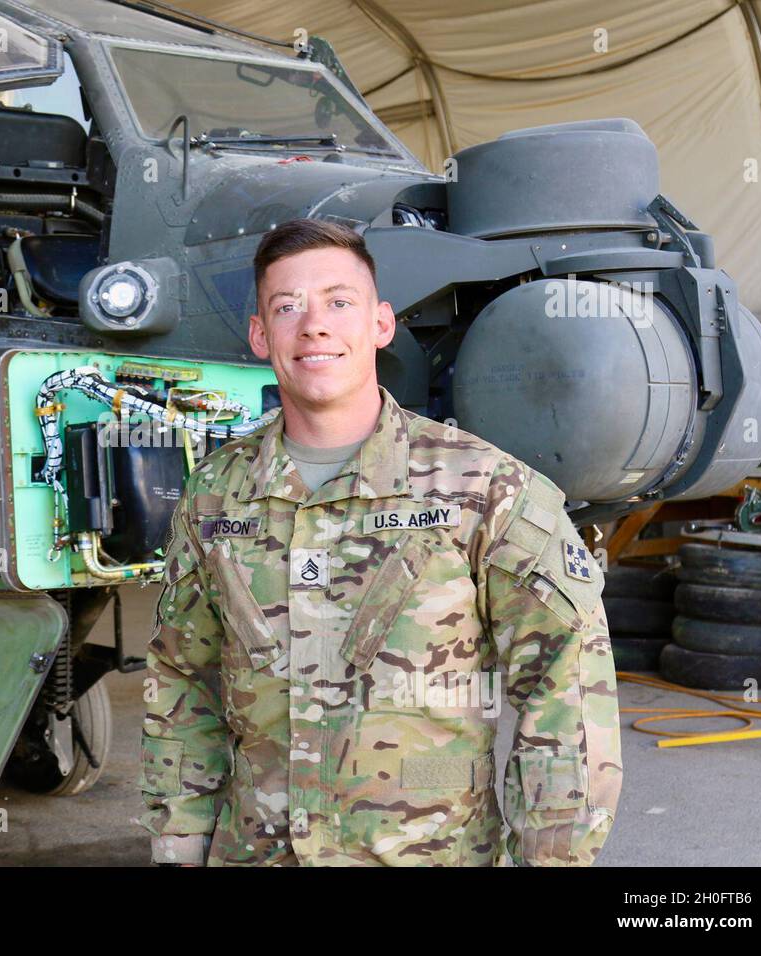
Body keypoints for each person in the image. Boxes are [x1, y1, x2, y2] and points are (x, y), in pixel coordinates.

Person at [138, 218, 622, 866]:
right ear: (260, 334)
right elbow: (181, 679)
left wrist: (550, 857)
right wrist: (179, 845)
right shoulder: (214, 497)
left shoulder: (485, 490)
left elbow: (567, 686)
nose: (314, 325)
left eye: (340, 302)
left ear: (381, 324)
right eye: (288, 307)